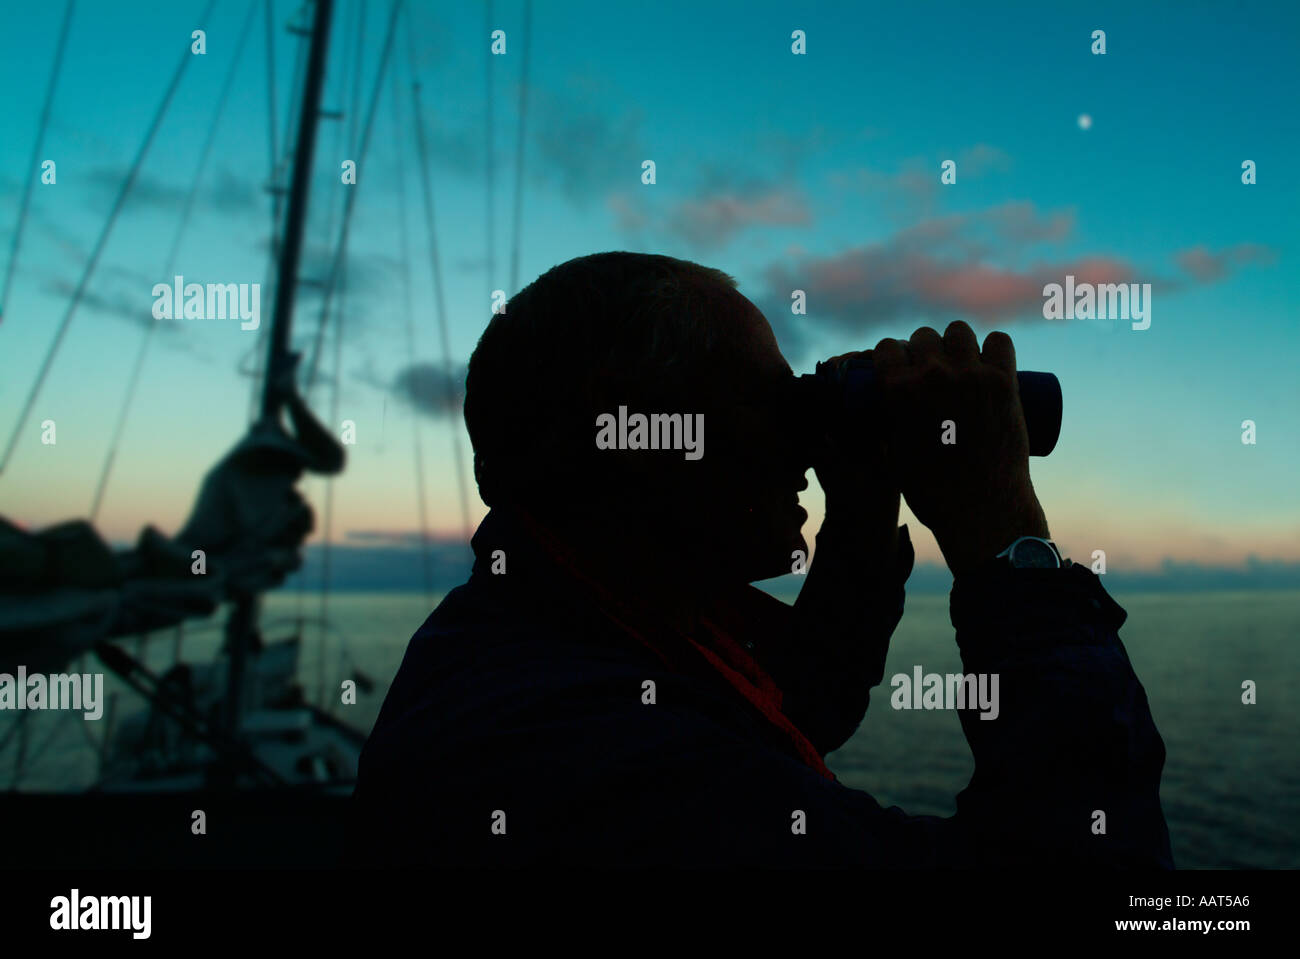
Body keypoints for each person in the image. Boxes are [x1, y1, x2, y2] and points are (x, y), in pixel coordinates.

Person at [346, 251, 1173, 868]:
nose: (804, 448)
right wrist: (1005, 535)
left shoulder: (583, 615)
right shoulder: (557, 748)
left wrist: (862, 500)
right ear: (647, 437)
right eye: (776, 401)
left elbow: (800, 698)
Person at [0, 359, 343, 675]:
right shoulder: (253, 477)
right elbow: (332, 459)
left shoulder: (245, 482)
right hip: (197, 565)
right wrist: (291, 399)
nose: (296, 478)